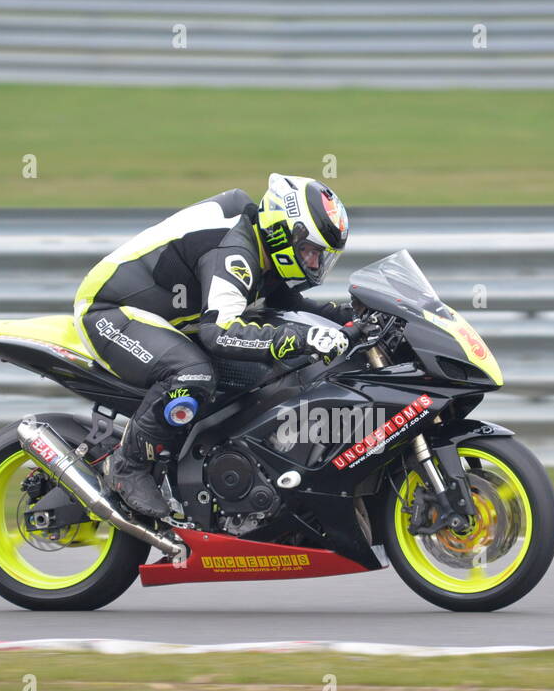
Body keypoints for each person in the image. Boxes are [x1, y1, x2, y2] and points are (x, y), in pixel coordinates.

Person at [73, 173, 352, 519]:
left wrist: (349, 318)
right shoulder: (234, 250)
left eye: (320, 256)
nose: (313, 264)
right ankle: (128, 467)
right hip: (109, 312)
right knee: (192, 374)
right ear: (283, 232)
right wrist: (300, 338)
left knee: (265, 371)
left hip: (165, 323)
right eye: (310, 251)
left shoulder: (259, 243)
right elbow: (218, 333)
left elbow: (285, 300)